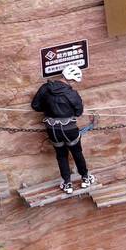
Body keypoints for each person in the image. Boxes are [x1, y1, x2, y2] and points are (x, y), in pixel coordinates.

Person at [31, 65, 96, 194]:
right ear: (72, 80)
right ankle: (85, 178)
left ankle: (67, 184)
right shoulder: (72, 94)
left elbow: (35, 105)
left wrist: (50, 109)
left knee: (61, 155)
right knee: (77, 153)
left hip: (52, 129)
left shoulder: (45, 88)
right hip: (69, 129)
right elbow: (78, 112)